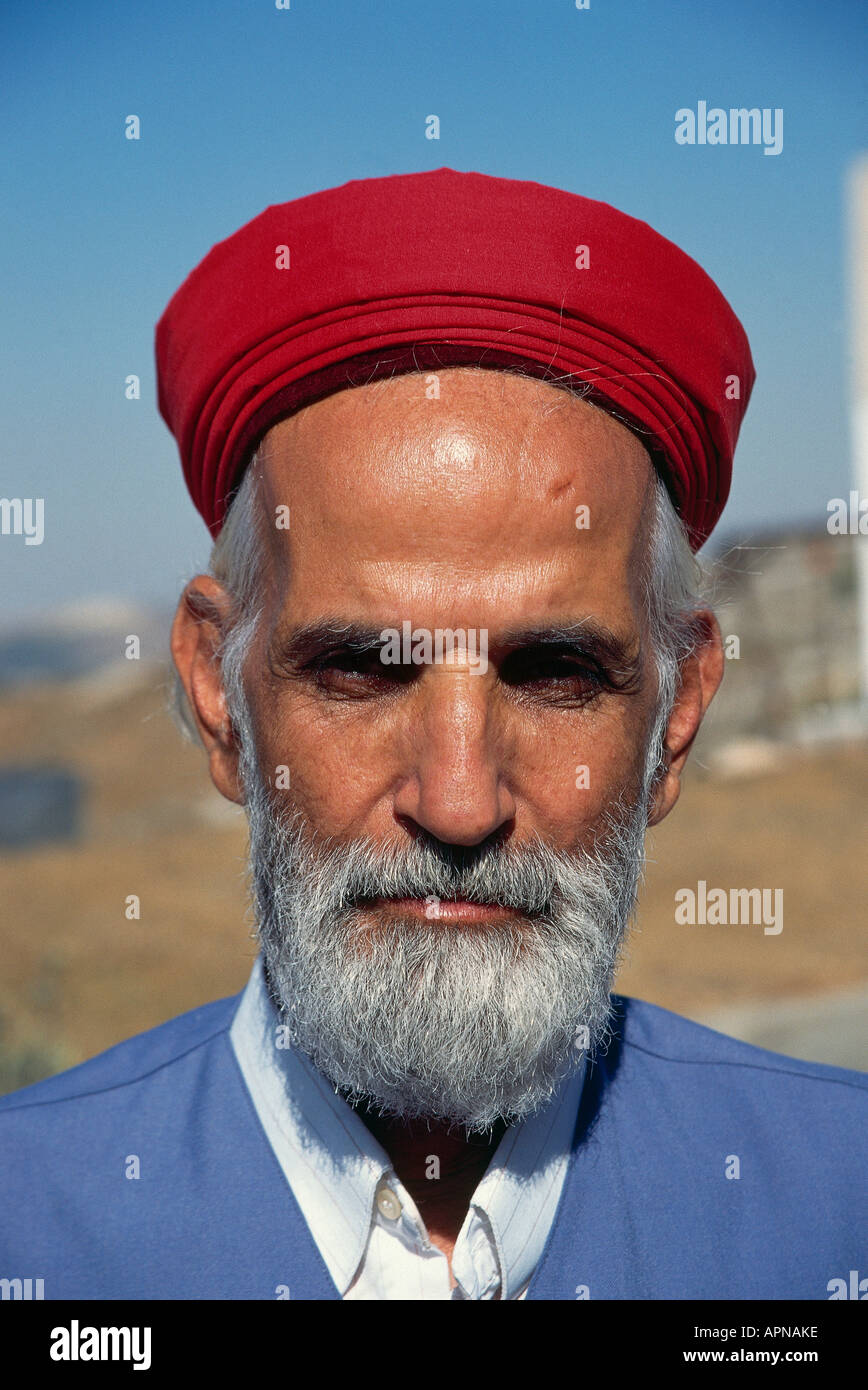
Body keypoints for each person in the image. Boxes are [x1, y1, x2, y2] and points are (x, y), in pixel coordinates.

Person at [0, 169, 864, 1301]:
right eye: (359, 669)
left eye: (556, 673)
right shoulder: (32, 1227)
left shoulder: (832, 1205)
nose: (458, 803)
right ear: (219, 693)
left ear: (678, 713)